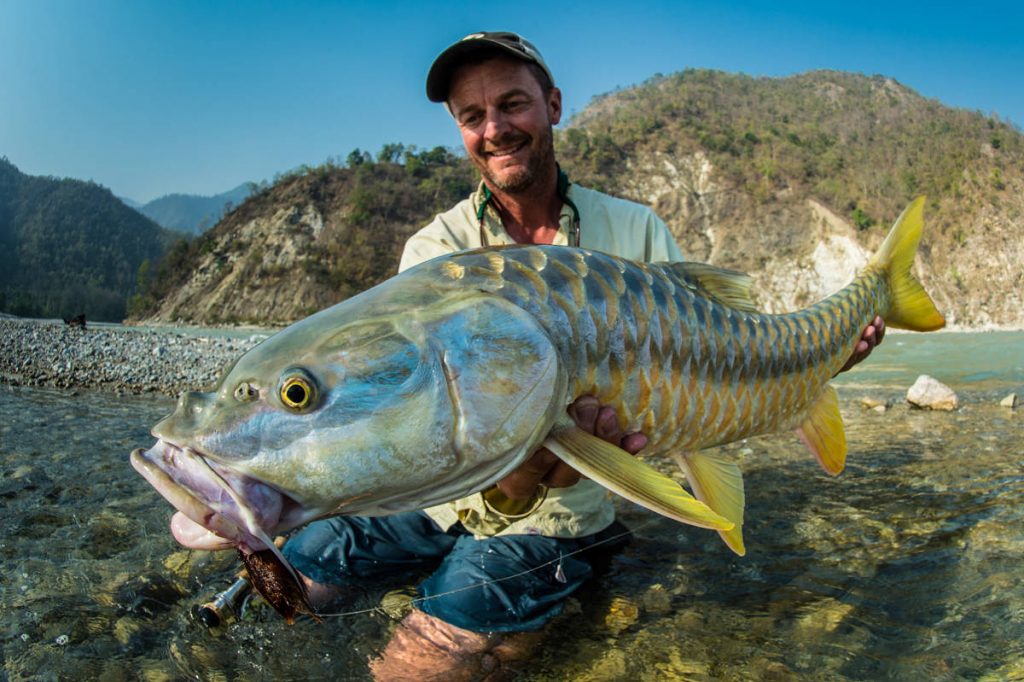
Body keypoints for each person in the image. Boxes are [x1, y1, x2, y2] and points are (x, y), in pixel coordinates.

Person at [283, 31, 885, 680]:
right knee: (299, 568)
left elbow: (719, 361)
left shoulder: (636, 231)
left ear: (553, 105)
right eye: (472, 115)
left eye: (513, 104)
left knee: (424, 660)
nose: (494, 128)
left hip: (558, 515)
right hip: (435, 502)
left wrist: (815, 363)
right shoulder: (435, 249)